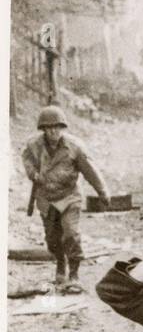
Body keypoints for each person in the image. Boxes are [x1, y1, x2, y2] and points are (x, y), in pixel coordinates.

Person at [21, 105, 112, 293]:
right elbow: (27, 159)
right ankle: (61, 264)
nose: (53, 131)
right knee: (52, 238)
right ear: (43, 129)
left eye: (57, 127)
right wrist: (32, 173)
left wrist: (103, 191)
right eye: (49, 128)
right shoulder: (34, 145)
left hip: (69, 196)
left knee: (70, 233)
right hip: (46, 198)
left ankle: (74, 275)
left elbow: (90, 170)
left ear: (62, 128)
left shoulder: (74, 146)